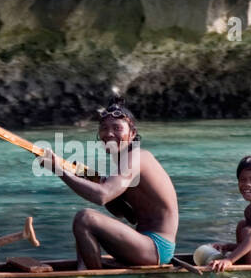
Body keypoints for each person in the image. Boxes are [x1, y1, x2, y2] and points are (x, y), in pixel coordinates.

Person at [35, 103, 179, 269]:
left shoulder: (138, 157)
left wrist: (58, 170)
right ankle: (82, 273)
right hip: (142, 244)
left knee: (85, 218)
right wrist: (88, 176)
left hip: (155, 247)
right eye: (104, 128)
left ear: (132, 134)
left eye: (117, 128)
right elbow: (124, 213)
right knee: (88, 222)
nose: (109, 134)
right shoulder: (122, 162)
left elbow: (102, 196)